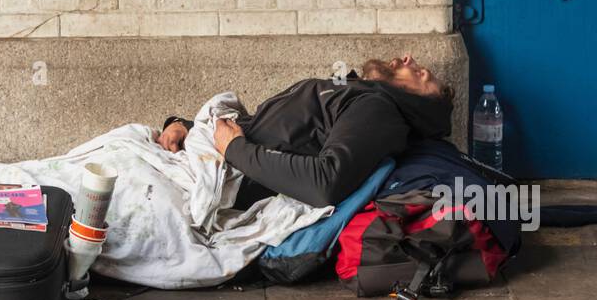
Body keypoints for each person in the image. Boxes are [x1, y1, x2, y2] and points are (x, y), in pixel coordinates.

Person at [154, 55, 454, 208]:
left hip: (222, 178)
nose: (408, 58)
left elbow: (325, 183)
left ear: (417, 99)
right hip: (205, 152)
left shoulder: (378, 109)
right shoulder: (358, 93)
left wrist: (235, 150)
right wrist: (186, 126)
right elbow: (264, 130)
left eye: (419, 73)